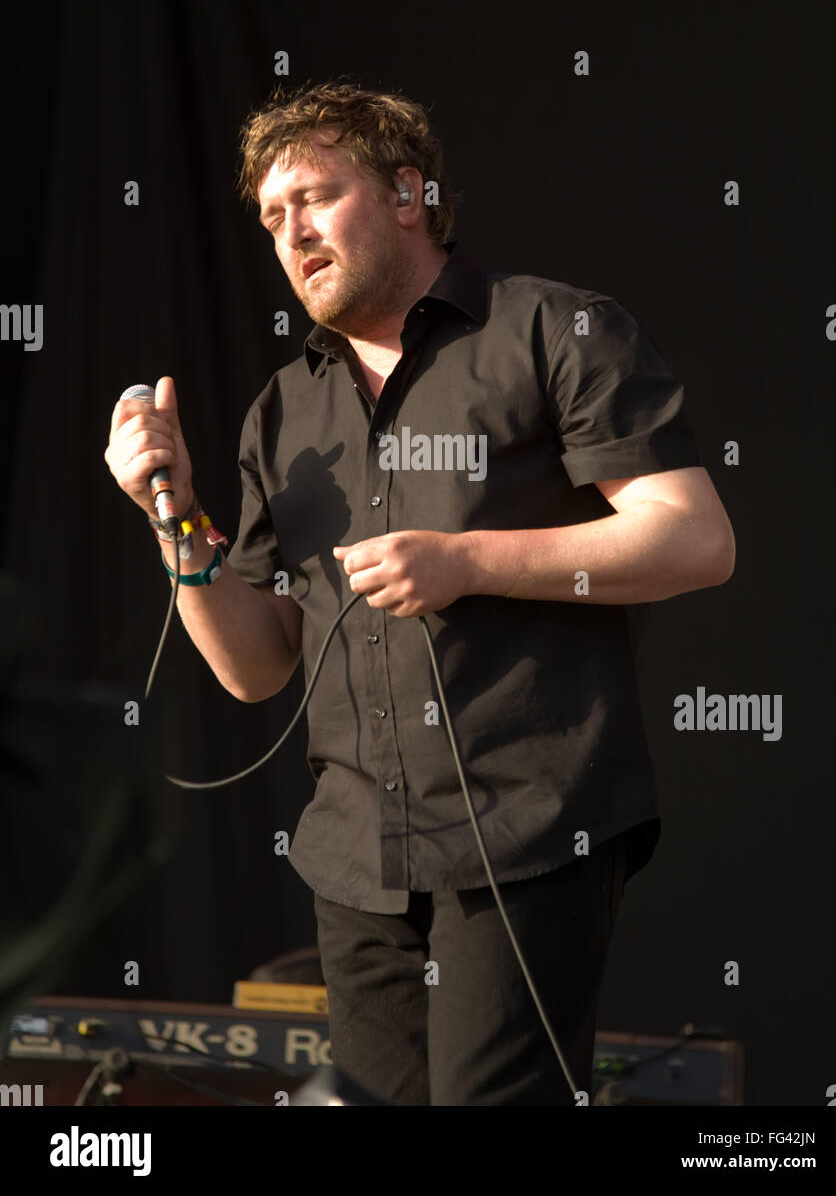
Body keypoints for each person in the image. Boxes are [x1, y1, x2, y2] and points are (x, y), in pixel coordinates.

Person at [104, 78, 735, 1106]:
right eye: (270, 216)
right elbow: (257, 668)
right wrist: (169, 514)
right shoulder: (282, 411)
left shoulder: (549, 331)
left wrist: (467, 560)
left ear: (407, 192)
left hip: (523, 833)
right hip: (358, 855)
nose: (289, 229)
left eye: (313, 195)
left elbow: (694, 538)